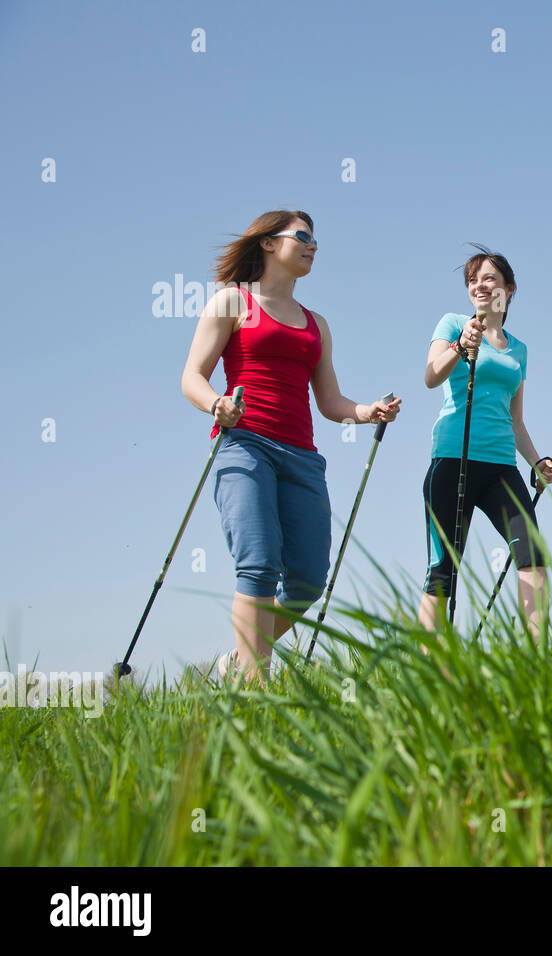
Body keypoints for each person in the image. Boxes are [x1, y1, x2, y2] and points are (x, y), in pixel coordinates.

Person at [181, 210, 400, 681]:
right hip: (244, 445)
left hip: (301, 456)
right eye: (302, 236)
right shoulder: (230, 302)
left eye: (315, 240)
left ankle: (238, 662)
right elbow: (191, 377)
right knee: (258, 563)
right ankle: (255, 686)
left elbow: (329, 400)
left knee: (305, 582)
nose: (312, 246)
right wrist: (217, 404)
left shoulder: (316, 323)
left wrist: (367, 412)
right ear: (266, 243)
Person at [420, 244, 552, 637]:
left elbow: (515, 420)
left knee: (532, 555)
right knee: (443, 569)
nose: (479, 285)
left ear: (509, 289)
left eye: (488, 278)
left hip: (501, 466)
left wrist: (537, 463)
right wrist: (460, 345)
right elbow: (431, 376)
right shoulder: (452, 324)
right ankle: (430, 666)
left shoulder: (519, 350)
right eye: (472, 280)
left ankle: (537, 657)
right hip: (453, 459)